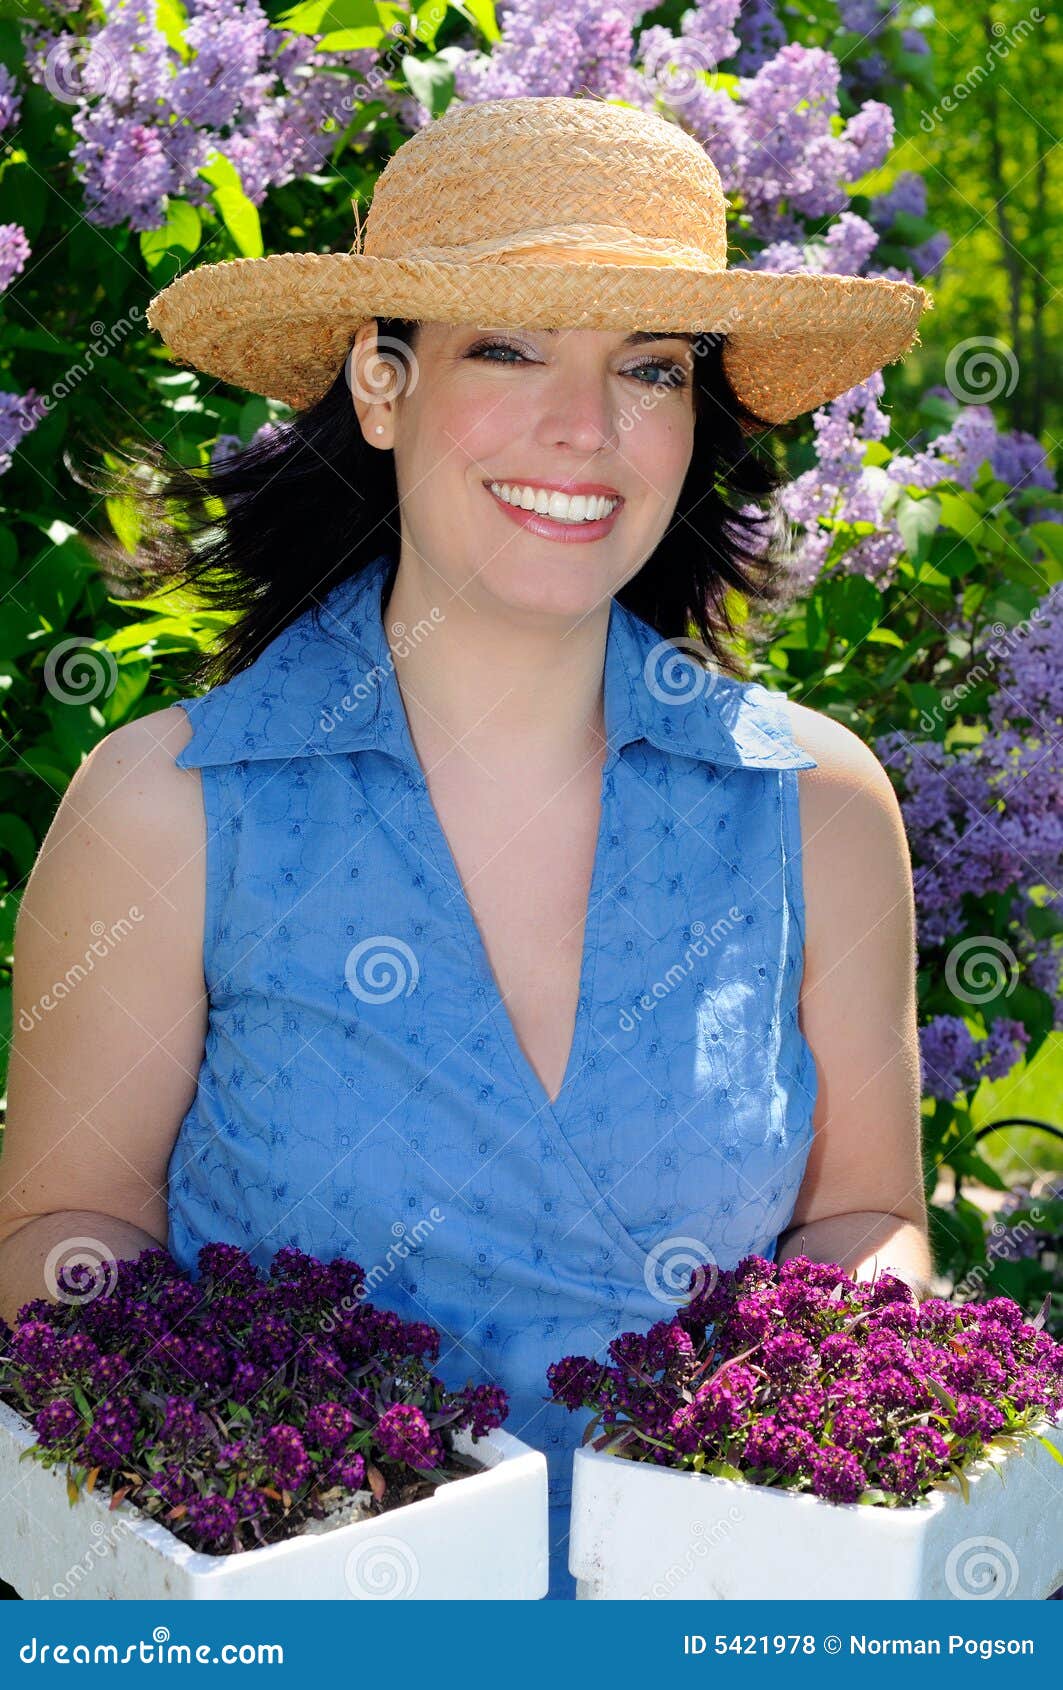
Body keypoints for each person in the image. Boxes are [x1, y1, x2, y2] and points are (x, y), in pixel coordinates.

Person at [0, 96, 934, 1600]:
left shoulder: (814, 804)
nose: (587, 427)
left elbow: (865, 1213)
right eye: (507, 348)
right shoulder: (165, 805)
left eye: (650, 367)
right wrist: (258, 1458)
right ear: (383, 387)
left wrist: (808, 1444)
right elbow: (67, 1225)